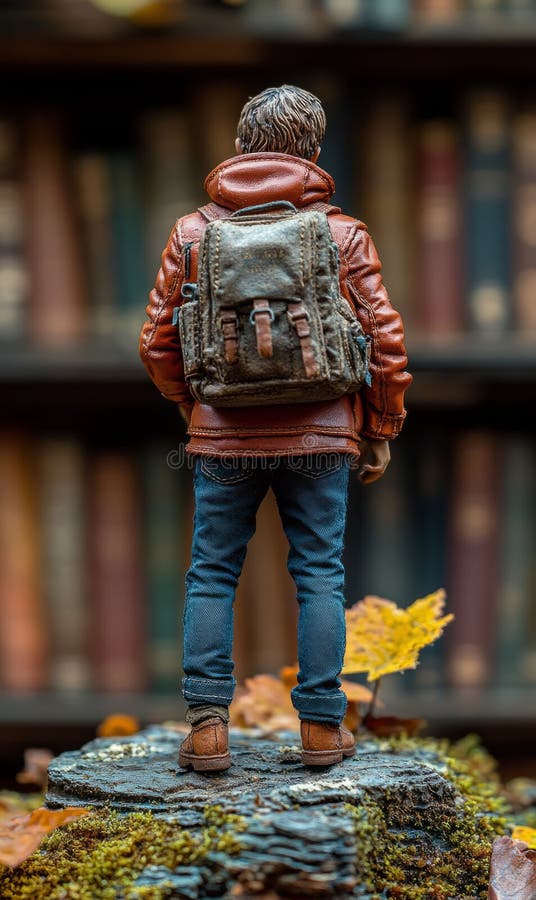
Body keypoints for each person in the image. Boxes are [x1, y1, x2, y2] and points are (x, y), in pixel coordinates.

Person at [139, 84, 412, 772]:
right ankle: (322, 729)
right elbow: (384, 342)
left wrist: (190, 404)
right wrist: (378, 424)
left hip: (221, 435)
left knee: (210, 576)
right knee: (319, 573)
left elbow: (155, 341)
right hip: (322, 436)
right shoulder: (343, 234)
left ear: (239, 147)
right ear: (314, 152)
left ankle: (207, 730)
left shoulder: (193, 233)